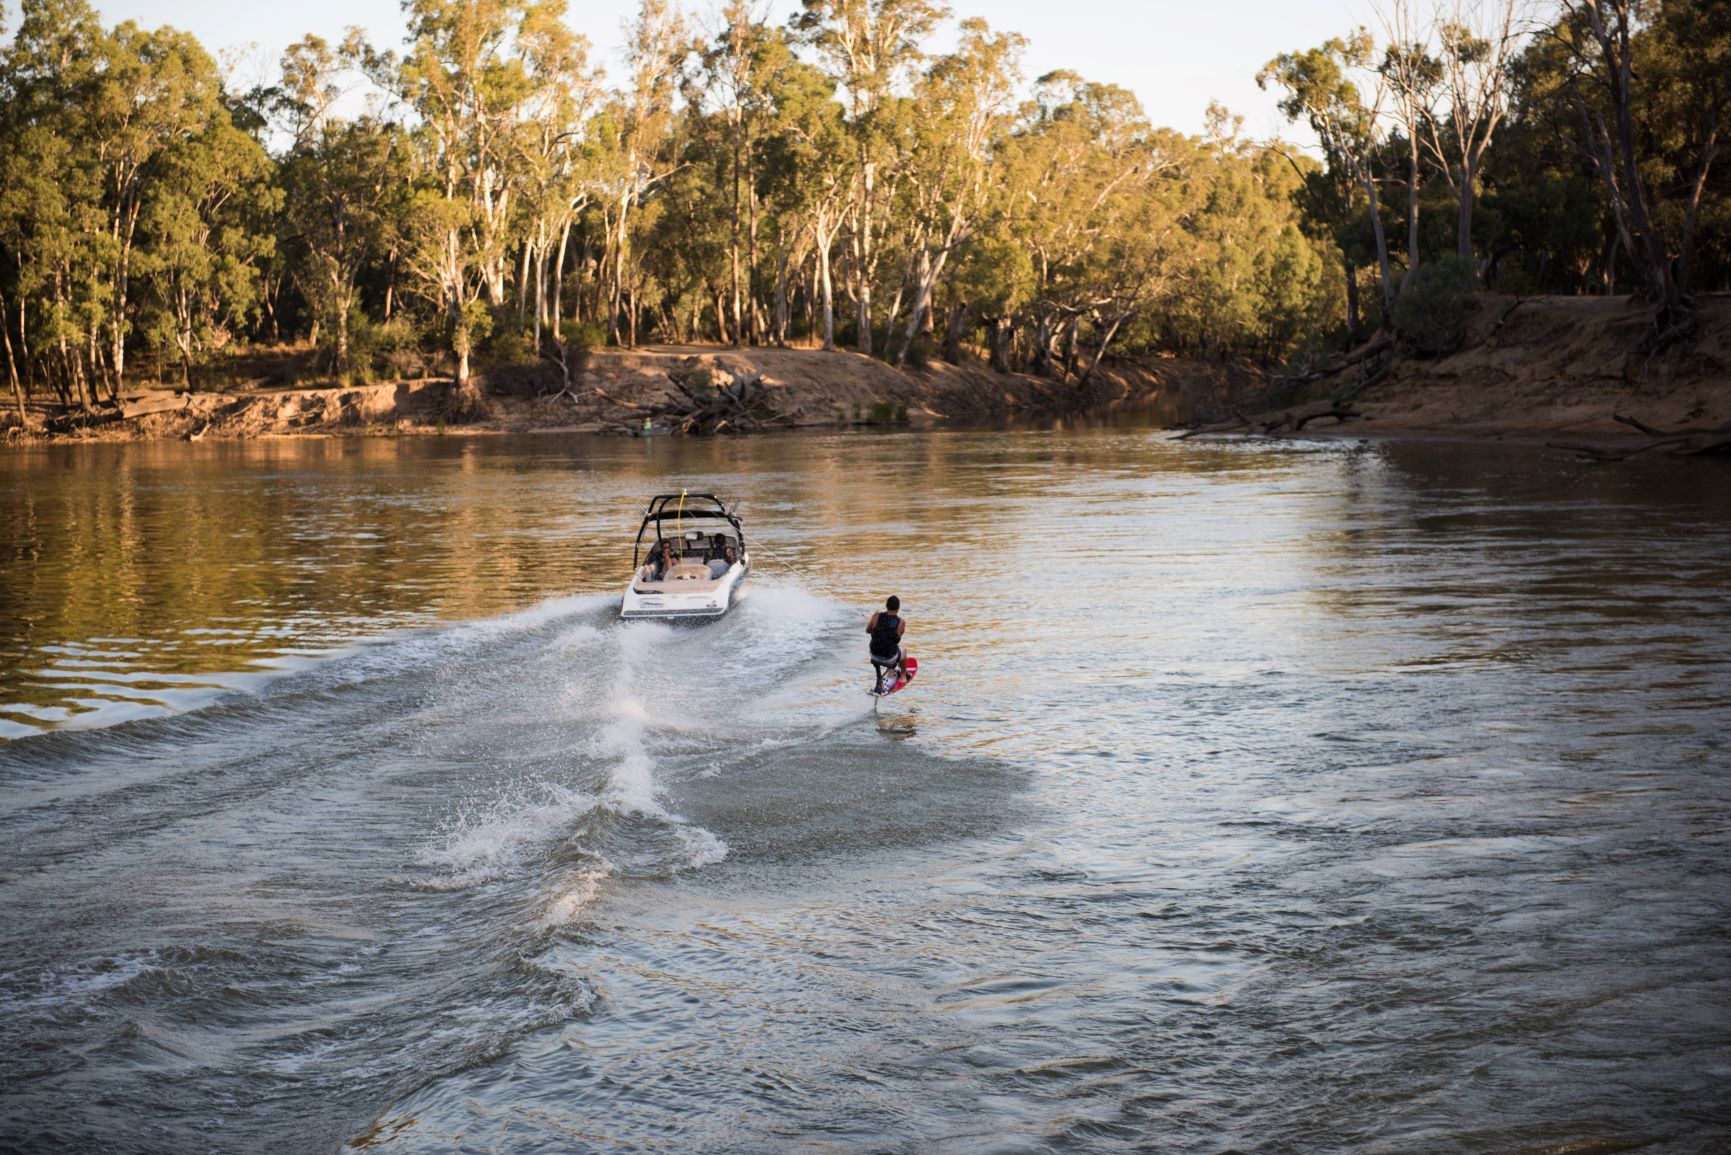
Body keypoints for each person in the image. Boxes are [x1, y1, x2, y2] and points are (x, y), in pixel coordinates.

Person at [866, 595, 906, 694]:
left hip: (873, 655)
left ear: (886, 605)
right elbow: (897, 637)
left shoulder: (876, 616)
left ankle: (890, 672)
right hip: (889, 658)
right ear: (898, 608)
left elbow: (868, 630)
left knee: (886, 645)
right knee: (903, 650)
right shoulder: (901, 622)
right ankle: (903, 676)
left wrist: (873, 623)